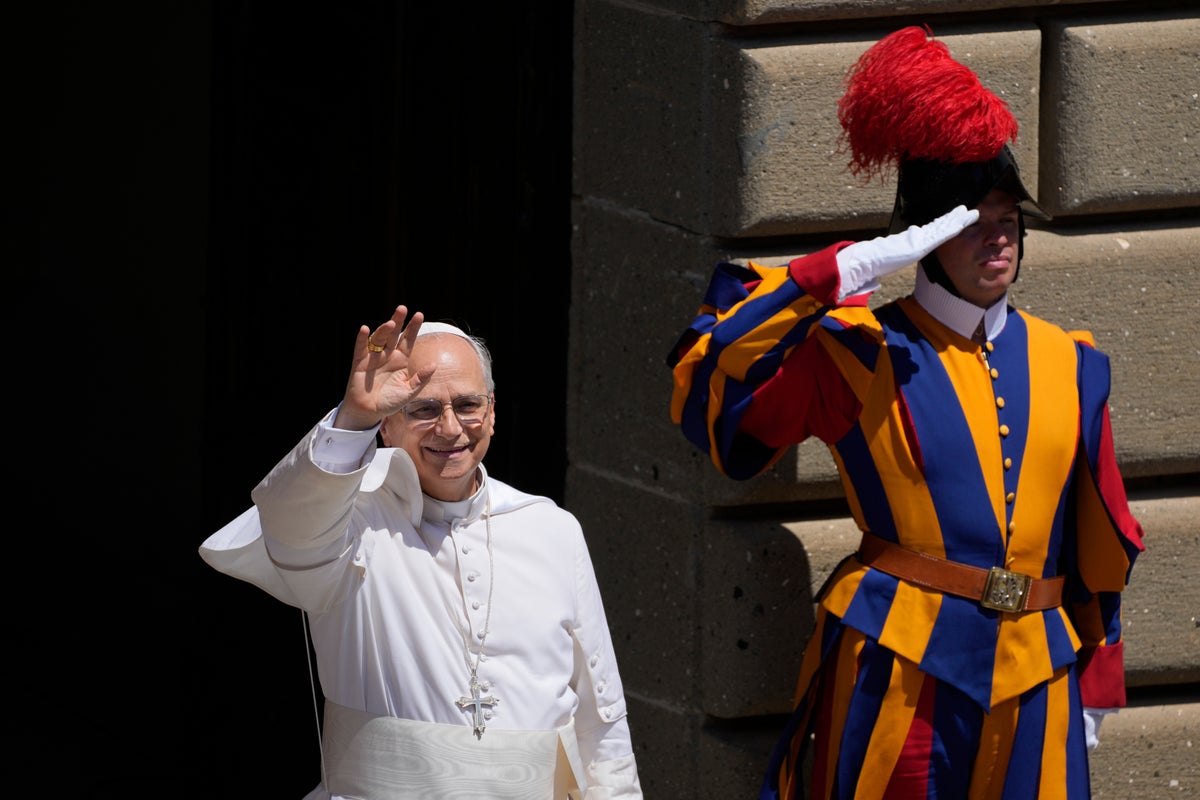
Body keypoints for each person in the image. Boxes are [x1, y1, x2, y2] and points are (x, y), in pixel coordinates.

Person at [666, 26, 1144, 799]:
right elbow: (716, 386)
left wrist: (1099, 675)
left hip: (1040, 677)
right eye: (970, 217)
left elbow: (1102, 534)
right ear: (926, 234)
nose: (997, 233)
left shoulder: (1074, 362)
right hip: (900, 667)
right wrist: (833, 274)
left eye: (1006, 214)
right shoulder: (855, 350)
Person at [201, 305, 643, 799]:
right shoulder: (351, 523)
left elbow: (600, 718)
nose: (450, 429)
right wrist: (354, 418)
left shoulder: (552, 528)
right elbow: (291, 528)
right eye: (424, 409)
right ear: (387, 426)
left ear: (492, 413)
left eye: (468, 404)